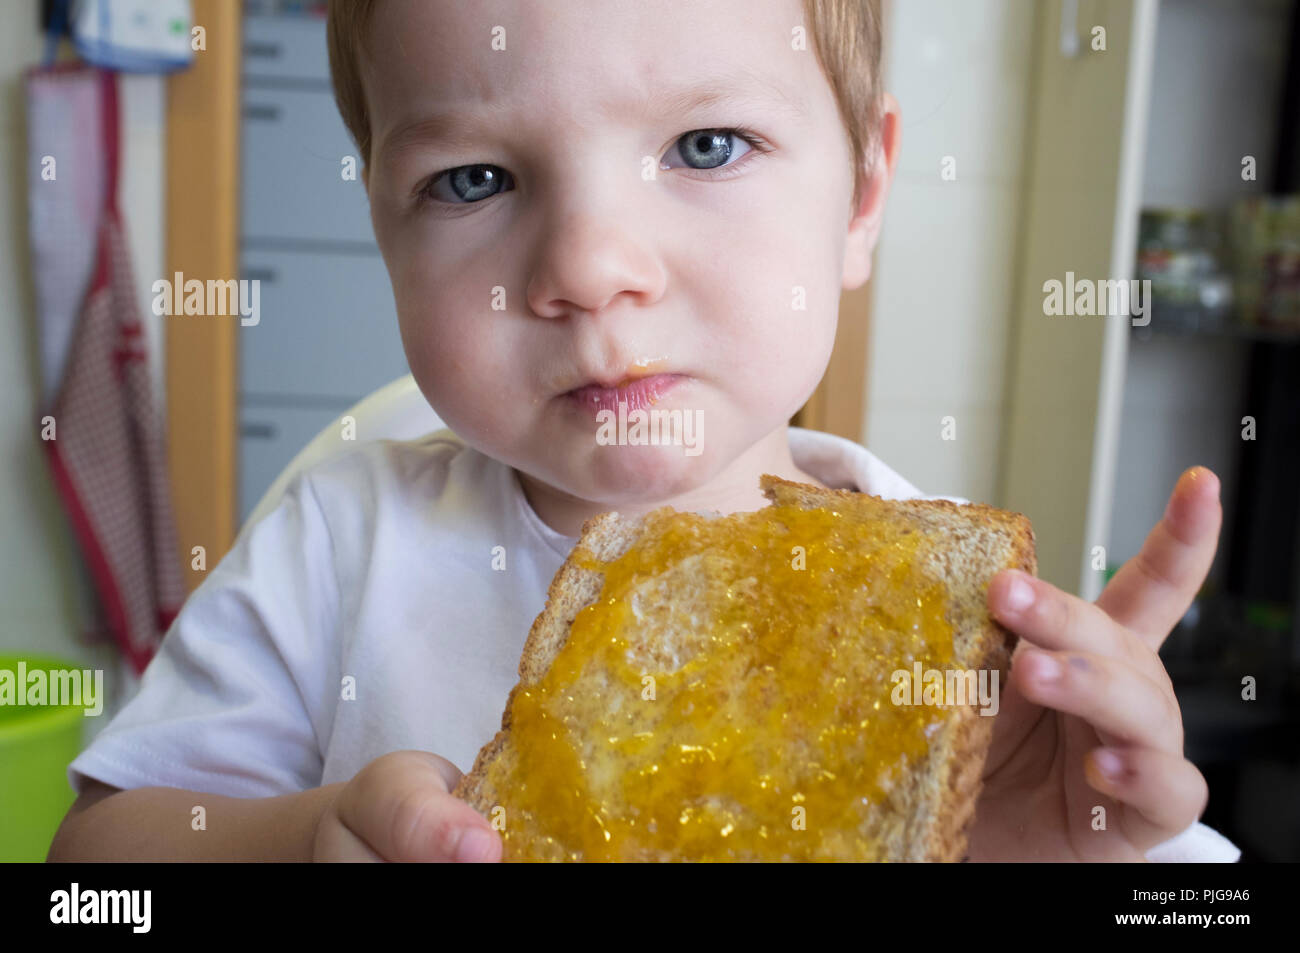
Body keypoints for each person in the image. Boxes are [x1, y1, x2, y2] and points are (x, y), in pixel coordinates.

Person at [48, 0, 1239, 862]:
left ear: (863, 198)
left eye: (704, 146)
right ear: (380, 221)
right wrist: (303, 835)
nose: (588, 268)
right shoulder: (341, 533)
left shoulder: (966, 642)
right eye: (472, 180)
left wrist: (1022, 849)